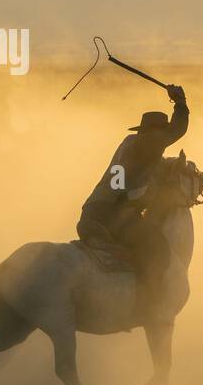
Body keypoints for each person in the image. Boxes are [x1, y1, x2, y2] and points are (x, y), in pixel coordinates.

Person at [77, 84, 188, 310]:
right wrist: (180, 102)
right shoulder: (149, 143)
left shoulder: (133, 146)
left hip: (94, 211)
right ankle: (150, 305)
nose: (164, 140)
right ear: (154, 133)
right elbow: (177, 130)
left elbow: (144, 171)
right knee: (158, 248)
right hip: (113, 215)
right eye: (161, 134)